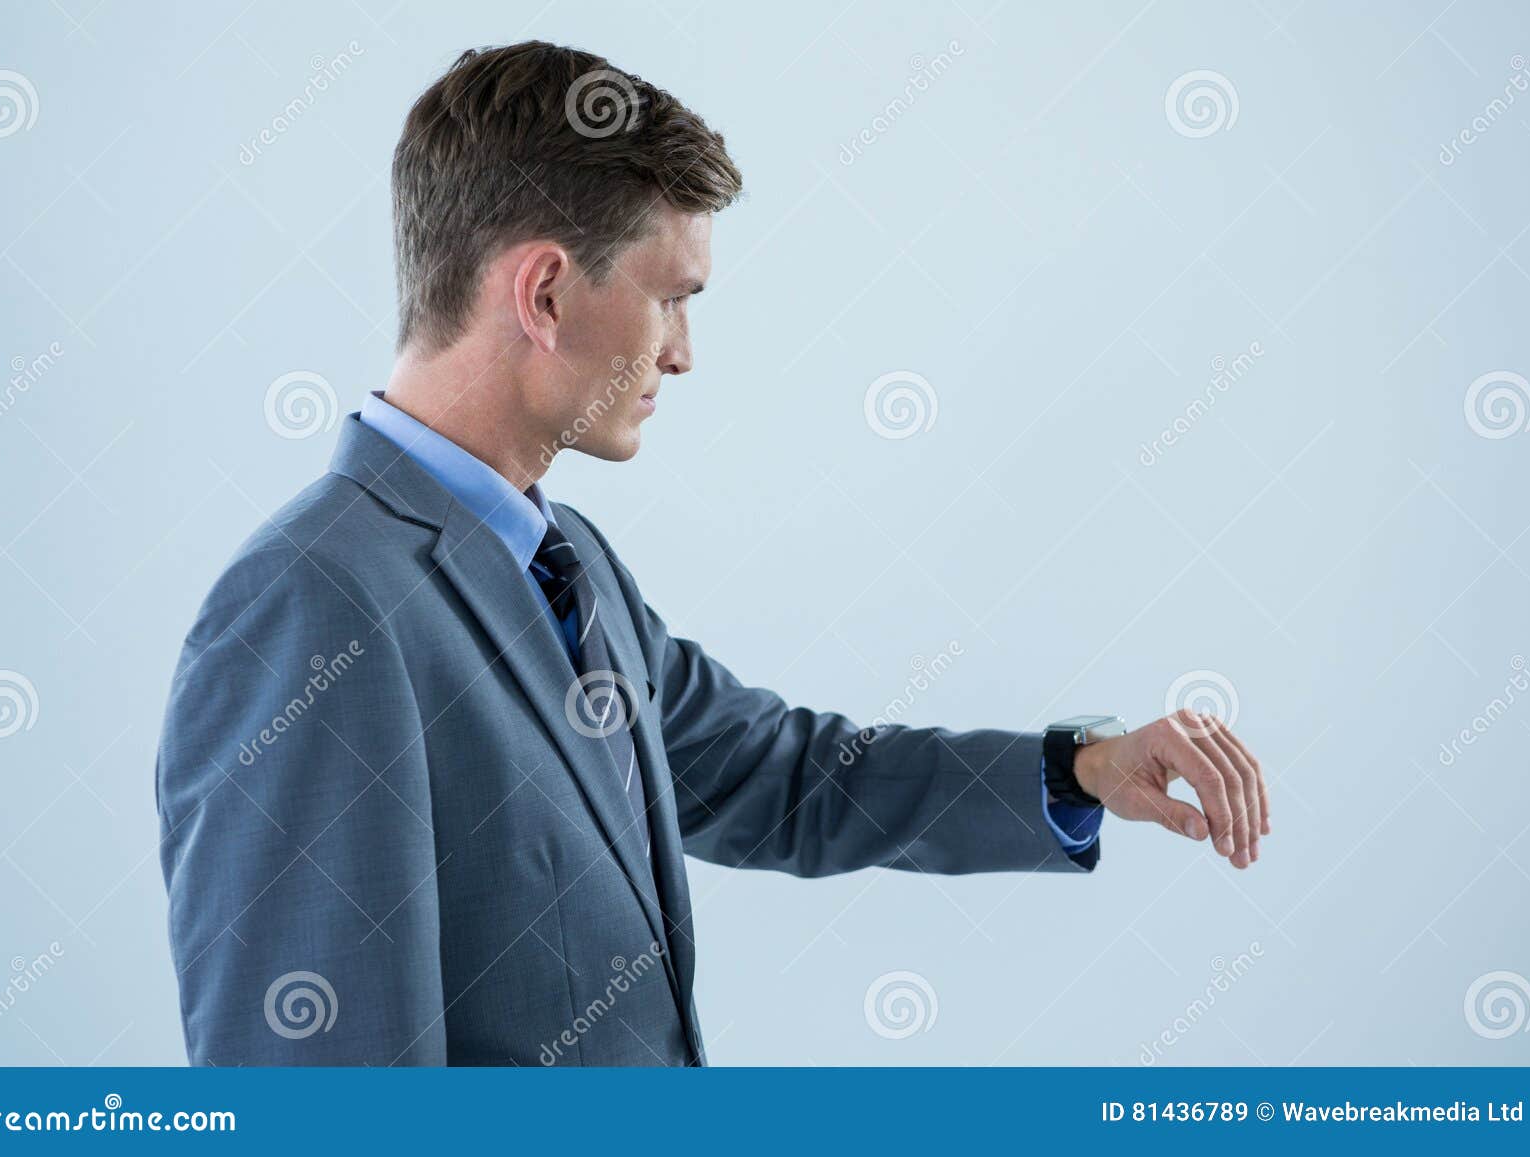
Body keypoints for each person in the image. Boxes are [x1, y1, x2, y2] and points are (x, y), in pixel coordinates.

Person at [156, 40, 1269, 1066]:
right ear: (543, 293)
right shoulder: (311, 606)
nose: (683, 354)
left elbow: (772, 774)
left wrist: (1077, 770)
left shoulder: (564, 558)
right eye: (672, 298)